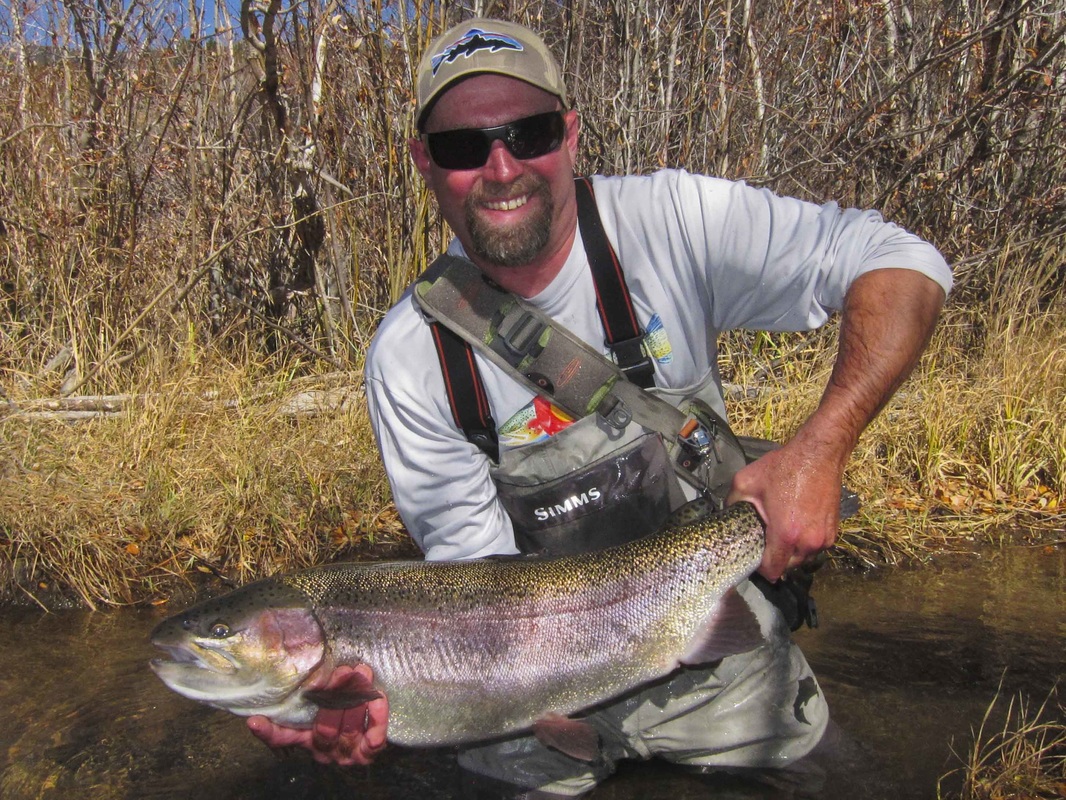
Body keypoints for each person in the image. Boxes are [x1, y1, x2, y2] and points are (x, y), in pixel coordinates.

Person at [249, 16, 951, 797]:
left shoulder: (670, 223)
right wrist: (406, 701)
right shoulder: (411, 358)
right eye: (462, 146)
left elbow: (902, 262)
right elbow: (473, 589)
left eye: (531, 131)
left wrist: (819, 450)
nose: (502, 165)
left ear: (571, 135)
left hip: (707, 636)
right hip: (520, 690)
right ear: (424, 162)